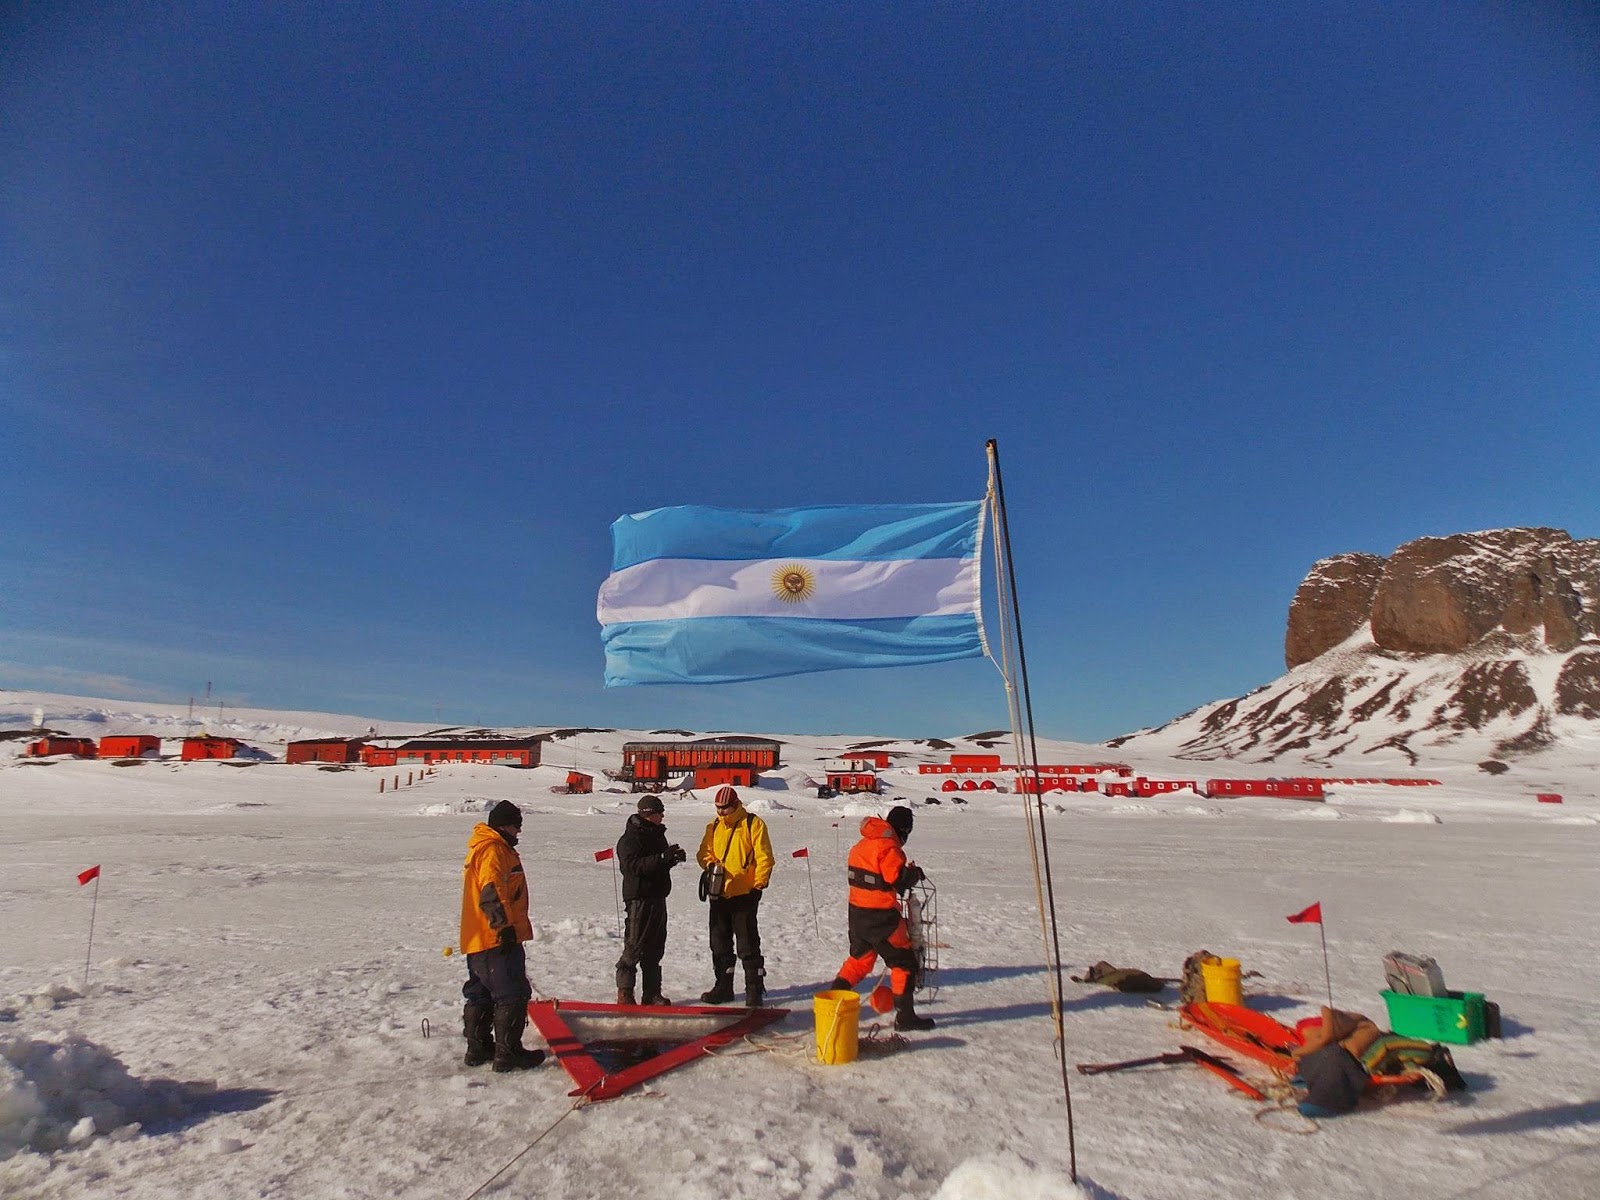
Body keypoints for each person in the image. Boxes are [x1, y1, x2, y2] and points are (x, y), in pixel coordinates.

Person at [826, 805, 935, 1031]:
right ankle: (906, 1018)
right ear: (904, 830)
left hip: (857, 914)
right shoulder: (889, 846)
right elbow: (897, 879)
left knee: (859, 962)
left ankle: (832, 1006)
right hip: (882, 917)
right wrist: (914, 874)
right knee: (904, 963)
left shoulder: (861, 845)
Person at [459, 800, 546, 1072]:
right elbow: (491, 891)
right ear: (505, 825)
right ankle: (508, 1053)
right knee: (512, 993)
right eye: (516, 827)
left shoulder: (485, 846)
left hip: (478, 937)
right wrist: (504, 927)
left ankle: (479, 1048)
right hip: (495, 937)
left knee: (481, 993)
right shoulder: (494, 850)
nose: (518, 833)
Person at [695, 786, 775, 1006]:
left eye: (725, 809)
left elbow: (764, 856)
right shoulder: (713, 827)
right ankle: (723, 987)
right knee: (719, 944)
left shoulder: (753, 824)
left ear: (736, 804)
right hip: (719, 894)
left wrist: (759, 885)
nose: (721, 813)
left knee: (747, 946)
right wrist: (710, 865)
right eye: (718, 808)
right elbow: (704, 852)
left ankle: (754, 991)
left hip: (745, 894)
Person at [615, 794, 687, 1005]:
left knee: (655, 947)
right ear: (649, 814)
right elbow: (632, 867)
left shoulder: (656, 835)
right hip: (640, 898)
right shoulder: (630, 839)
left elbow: (656, 864)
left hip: (657, 896)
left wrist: (671, 859)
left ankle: (651, 993)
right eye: (659, 813)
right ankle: (625, 992)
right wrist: (661, 858)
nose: (662, 816)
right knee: (634, 946)